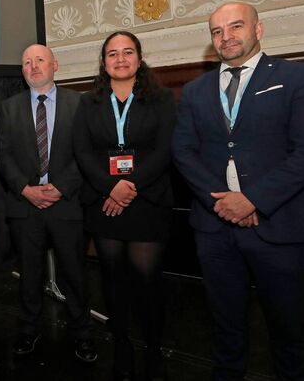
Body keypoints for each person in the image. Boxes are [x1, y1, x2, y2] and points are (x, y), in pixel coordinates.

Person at [172, 2, 304, 380]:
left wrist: (253, 200)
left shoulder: (298, 77)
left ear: (258, 30)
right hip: (216, 228)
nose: (226, 36)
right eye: (216, 31)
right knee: (225, 324)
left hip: (280, 225)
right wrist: (223, 203)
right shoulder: (195, 90)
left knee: (290, 329)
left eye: (235, 26)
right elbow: (183, 150)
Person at [72, 31, 176, 380]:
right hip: (105, 203)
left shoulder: (160, 99)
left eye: (127, 52)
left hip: (147, 200)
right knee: (113, 280)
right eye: (112, 54)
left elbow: (165, 149)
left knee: (148, 280)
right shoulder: (89, 102)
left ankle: (153, 348)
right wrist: (110, 189)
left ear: (139, 58)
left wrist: (129, 187)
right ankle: (121, 344)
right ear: (103, 63)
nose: (120, 59)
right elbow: (83, 152)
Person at [0, 44, 97, 362]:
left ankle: (82, 334)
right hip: (25, 206)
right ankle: (29, 330)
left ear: (55, 64)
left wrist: (59, 188)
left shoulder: (79, 103)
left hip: (66, 203)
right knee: (29, 274)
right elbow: (2, 154)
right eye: (26, 62)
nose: (33, 66)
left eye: (39, 60)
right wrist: (25, 189)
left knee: (74, 274)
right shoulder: (8, 107)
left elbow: (87, 151)